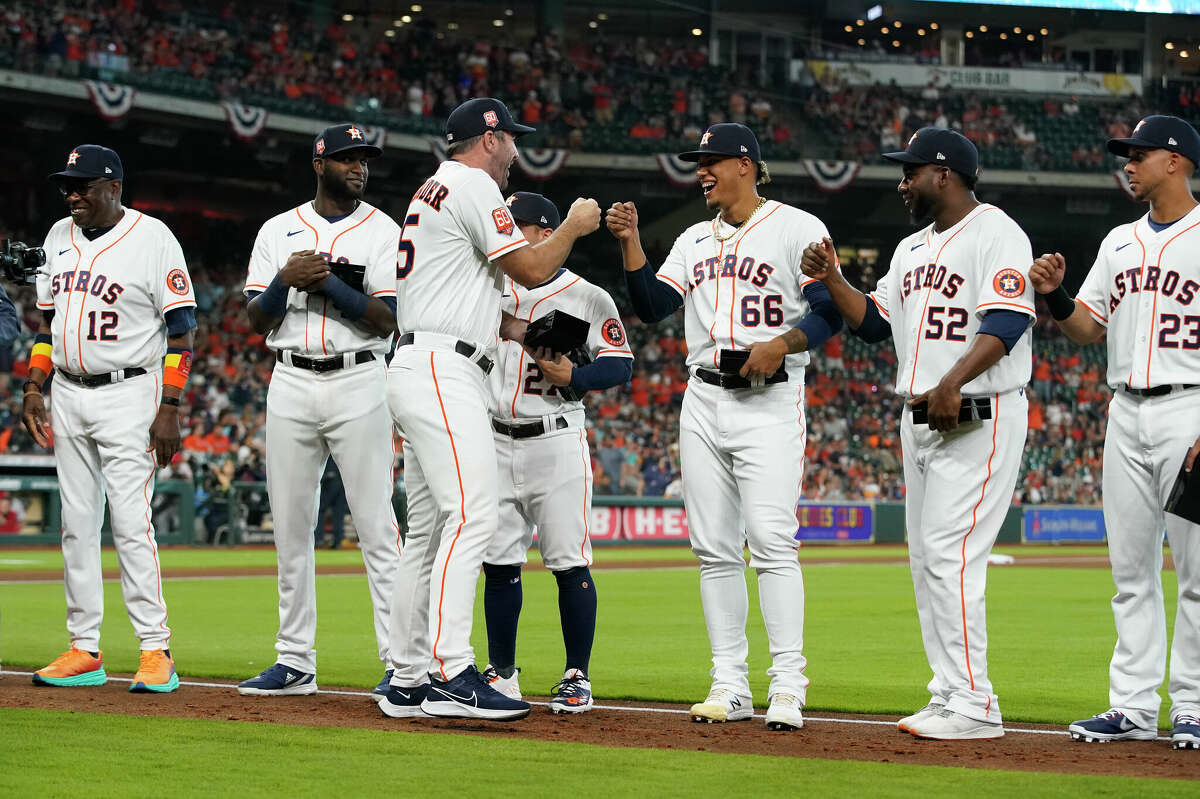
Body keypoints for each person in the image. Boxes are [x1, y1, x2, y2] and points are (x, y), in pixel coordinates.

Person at [605, 122, 843, 731]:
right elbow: (653, 307)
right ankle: (730, 684)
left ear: (746, 164)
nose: (701, 170)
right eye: (698, 162)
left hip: (769, 397)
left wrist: (781, 344)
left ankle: (788, 685)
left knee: (771, 543)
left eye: (711, 161)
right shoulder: (692, 237)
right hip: (704, 396)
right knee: (713, 550)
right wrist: (632, 242)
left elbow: (826, 314)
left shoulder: (798, 228)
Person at [800, 127, 1035, 740]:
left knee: (951, 556)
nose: (901, 183)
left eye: (910, 173)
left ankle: (977, 704)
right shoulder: (908, 251)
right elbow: (875, 325)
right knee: (926, 561)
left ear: (943, 173)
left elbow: (1008, 319)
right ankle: (950, 691)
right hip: (922, 417)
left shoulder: (997, 231)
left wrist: (954, 381)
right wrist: (833, 279)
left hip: (978, 412)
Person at [378, 98, 600, 722]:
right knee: (471, 516)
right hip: (442, 371)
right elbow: (531, 267)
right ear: (490, 137)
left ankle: (407, 675)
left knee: (426, 533)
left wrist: (518, 331)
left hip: (425, 359)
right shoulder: (472, 182)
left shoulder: (433, 190)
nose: (517, 155)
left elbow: (463, 294)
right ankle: (451, 671)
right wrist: (575, 225)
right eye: (513, 141)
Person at [1031, 115, 1200, 750]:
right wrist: (1057, 298)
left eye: (1140, 154)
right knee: (1130, 572)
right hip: (1124, 410)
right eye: (1126, 155)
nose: (1128, 164)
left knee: (1197, 574)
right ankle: (1130, 707)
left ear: (1176, 162)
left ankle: (1192, 704)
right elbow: (1090, 328)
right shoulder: (1119, 241)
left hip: (1192, 407)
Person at [23, 144, 198, 693]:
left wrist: (169, 407)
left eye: (83, 186)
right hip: (69, 393)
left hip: (130, 392)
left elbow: (183, 332)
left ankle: (155, 649)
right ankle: (84, 649)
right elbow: (46, 325)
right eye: (67, 186)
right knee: (76, 525)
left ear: (114, 187)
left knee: (130, 523)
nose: (72, 194)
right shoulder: (56, 236)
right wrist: (34, 382)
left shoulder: (153, 237)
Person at [238, 123, 402, 699]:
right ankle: (294, 660)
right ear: (320, 163)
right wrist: (285, 281)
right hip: (290, 380)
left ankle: (399, 661)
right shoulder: (277, 230)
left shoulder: (384, 229)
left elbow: (387, 319)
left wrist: (328, 282)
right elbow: (255, 321)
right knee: (290, 526)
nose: (360, 167)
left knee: (378, 528)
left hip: (360, 378)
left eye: (365, 159)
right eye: (348, 158)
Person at [479, 191, 634, 714]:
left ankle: (576, 675)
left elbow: (620, 363)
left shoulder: (586, 295)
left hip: (555, 435)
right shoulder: (487, 285)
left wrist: (577, 378)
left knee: (568, 562)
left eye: (514, 226)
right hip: (492, 437)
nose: (505, 233)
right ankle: (501, 672)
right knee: (499, 564)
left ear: (546, 233)